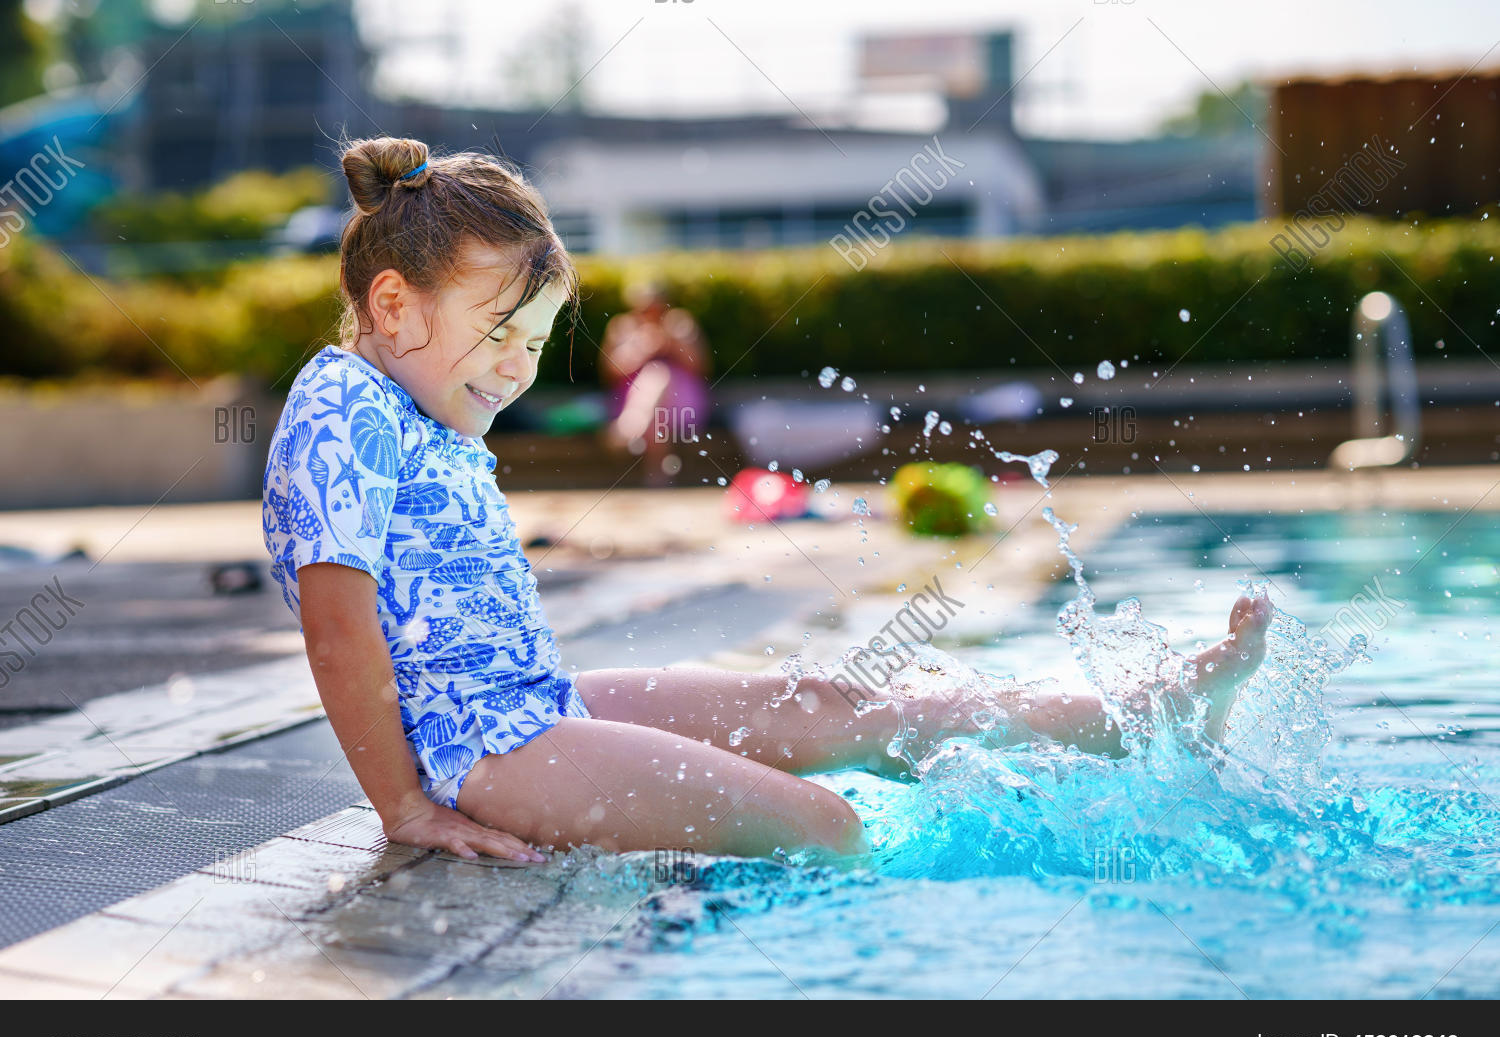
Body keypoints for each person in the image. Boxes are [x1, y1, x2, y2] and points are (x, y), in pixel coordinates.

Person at [262, 136, 1273, 866]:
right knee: (821, 824)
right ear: (392, 303)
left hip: (531, 708)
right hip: (477, 753)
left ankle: (1145, 716)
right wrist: (404, 807)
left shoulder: (418, 409)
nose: (518, 368)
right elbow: (336, 627)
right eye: (499, 334)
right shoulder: (344, 405)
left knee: (848, 704)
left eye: (533, 343)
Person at [598, 276, 711, 486]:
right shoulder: (623, 326)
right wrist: (642, 349)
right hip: (630, 399)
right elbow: (610, 371)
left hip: (680, 402)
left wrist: (672, 343)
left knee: (658, 377)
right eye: (645, 309)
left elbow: (700, 367)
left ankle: (631, 426)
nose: (651, 314)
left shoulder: (680, 324)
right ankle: (659, 475)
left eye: (657, 308)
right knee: (655, 399)